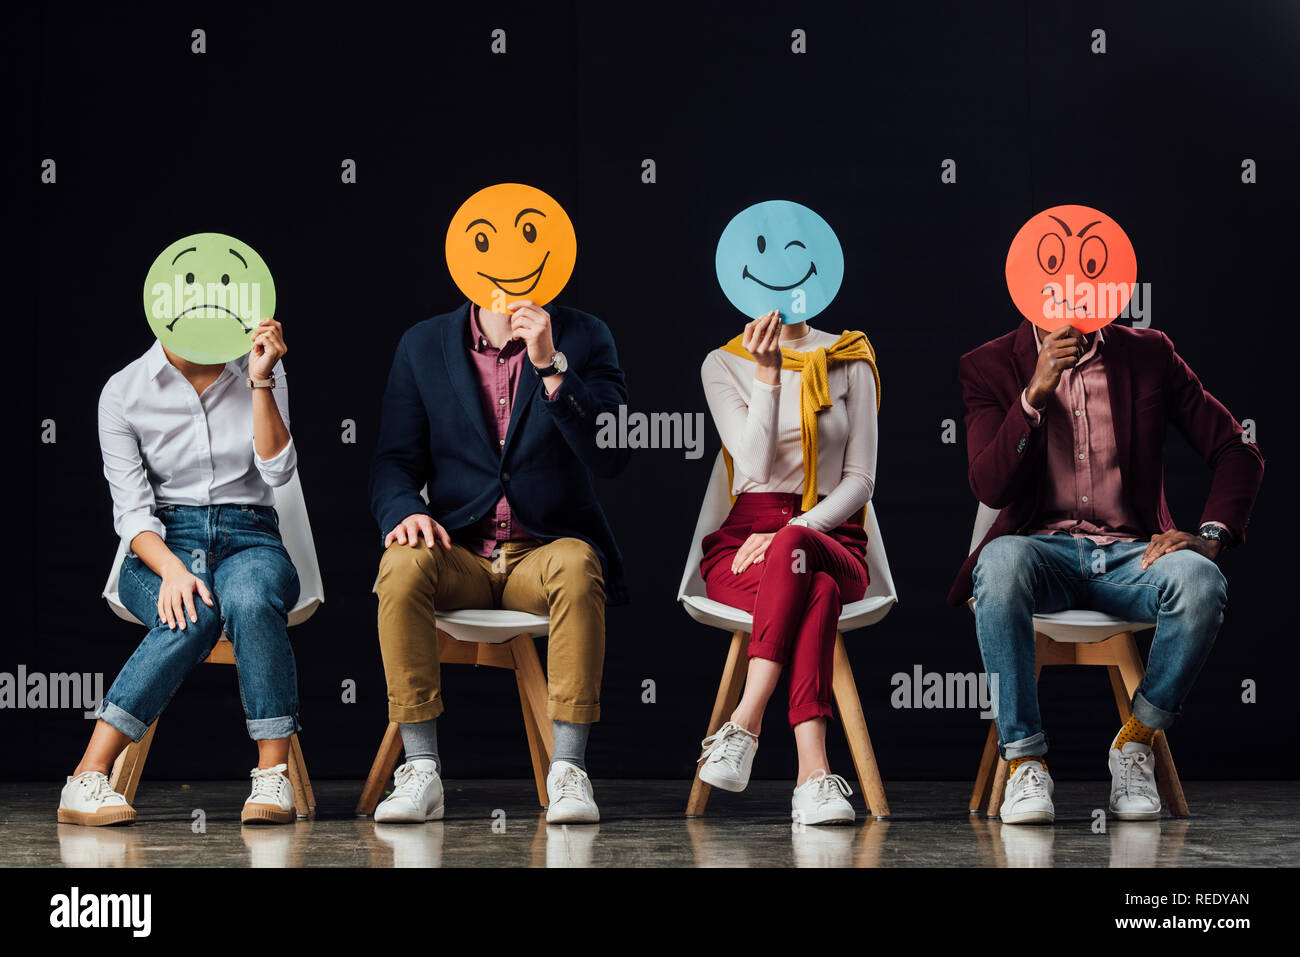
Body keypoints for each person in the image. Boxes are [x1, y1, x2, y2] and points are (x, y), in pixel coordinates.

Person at [952, 321, 1264, 824]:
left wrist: (1211, 534)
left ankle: (1137, 741)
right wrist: (1033, 393)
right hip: (1041, 553)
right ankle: (1026, 761)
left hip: (1131, 556)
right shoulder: (987, 363)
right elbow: (990, 486)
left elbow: (1237, 448)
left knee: (1201, 581)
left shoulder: (1148, 353)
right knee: (1001, 561)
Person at [368, 296, 628, 824]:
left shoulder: (586, 334)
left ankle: (570, 771)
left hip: (544, 549)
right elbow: (394, 461)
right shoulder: (423, 343)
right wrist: (403, 510)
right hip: (458, 549)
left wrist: (552, 365)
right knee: (399, 564)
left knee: (579, 565)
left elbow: (612, 452)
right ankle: (420, 769)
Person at [60, 319, 302, 826]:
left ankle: (272, 777)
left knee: (252, 599)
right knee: (189, 616)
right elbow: (130, 512)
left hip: (250, 534)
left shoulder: (261, 367)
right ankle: (86, 777)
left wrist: (261, 380)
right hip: (165, 542)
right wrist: (171, 569)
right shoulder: (125, 390)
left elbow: (279, 473)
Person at [695, 310, 880, 825]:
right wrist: (768, 374)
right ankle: (813, 778)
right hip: (743, 542)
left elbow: (861, 479)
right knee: (815, 591)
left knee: (803, 555)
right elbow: (751, 466)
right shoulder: (724, 362)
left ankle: (745, 720)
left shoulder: (850, 356)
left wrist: (795, 530)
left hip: (831, 538)